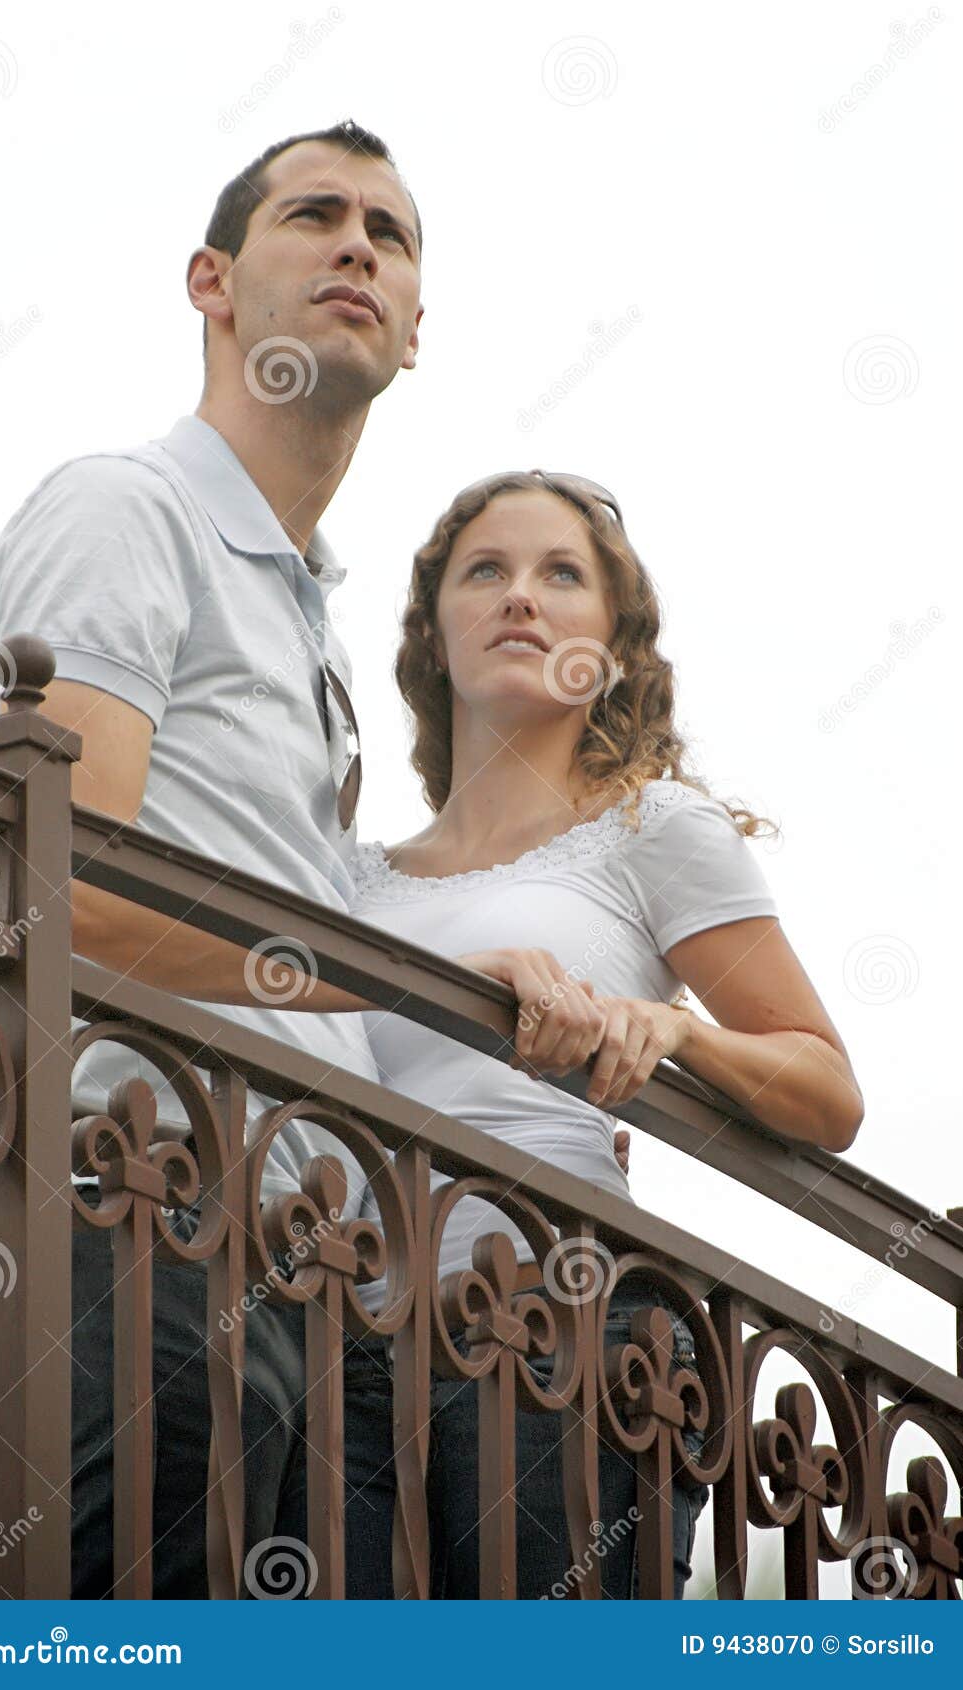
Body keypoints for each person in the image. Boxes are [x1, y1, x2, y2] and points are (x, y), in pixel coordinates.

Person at [0, 122, 615, 1598]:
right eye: (316, 217)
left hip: (309, 1266)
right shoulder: (129, 509)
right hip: (147, 1199)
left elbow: (287, 944)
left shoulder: (308, 618)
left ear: (414, 323)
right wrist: (413, 974)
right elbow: (67, 894)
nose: (358, 249)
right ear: (212, 281)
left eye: (390, 235)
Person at [276, 467, 867, 1598]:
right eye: (485, 571)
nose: (520, 598)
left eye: (562, 575)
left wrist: (674, 1033)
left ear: (613, 641)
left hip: (566, 1331)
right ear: (432, 639)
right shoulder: (342, 876)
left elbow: (825, 1088)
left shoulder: (655, 829)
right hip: (341, 1341)